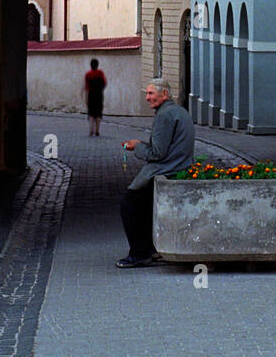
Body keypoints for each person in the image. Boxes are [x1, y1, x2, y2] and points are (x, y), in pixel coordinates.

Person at [117, 77, 194, 268]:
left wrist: (136, 147)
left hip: (165, 170)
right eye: (147, 93)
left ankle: (139, 253)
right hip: (179, 168)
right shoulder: (179, 111)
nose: (147, 98)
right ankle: (150, 248)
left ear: (165, 94)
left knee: (129, 203)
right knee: (145, 207)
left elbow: (157, 153)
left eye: (151, 93)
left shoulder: (165, 115)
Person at [83, 57, 106, 137]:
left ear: (91, 65)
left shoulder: (88, 74)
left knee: (91, 113)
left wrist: (86, 98)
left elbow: (87, 87)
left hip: (91, 95)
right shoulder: (100, 73)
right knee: (98, 113)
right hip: (99, 94)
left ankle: (91, 129)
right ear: (97, 65)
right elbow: (104, 83)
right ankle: (97, 130)